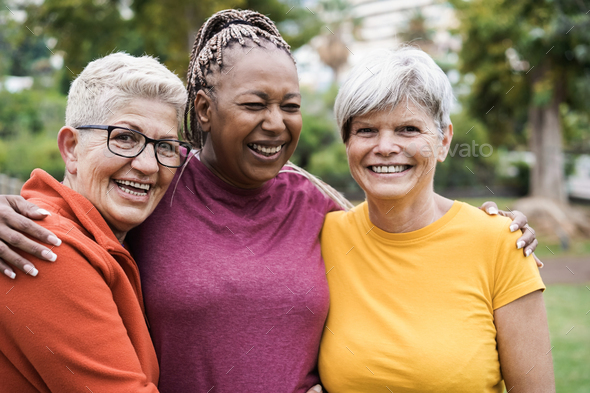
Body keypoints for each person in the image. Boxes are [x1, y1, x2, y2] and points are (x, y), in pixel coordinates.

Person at [0, 10, 540, 393]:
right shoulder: (159, 185)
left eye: (291, 105)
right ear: (205, 110)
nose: (275, 123)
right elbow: (83, 195)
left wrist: (496, 232)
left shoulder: (317, 208)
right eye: (255, 103)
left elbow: (399, 231)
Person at [317, 47, 554, 392]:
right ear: (347, 143)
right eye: (366, 130)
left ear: (443, 140)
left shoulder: (502, 243)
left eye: (408, 129)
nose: (385, 146)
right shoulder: (323, 238)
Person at [0, 52, 189, 392]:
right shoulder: (43, 245)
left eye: (165, 146)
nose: (148, 165)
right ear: (71, 148)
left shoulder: (108, 236)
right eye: (125, 138)